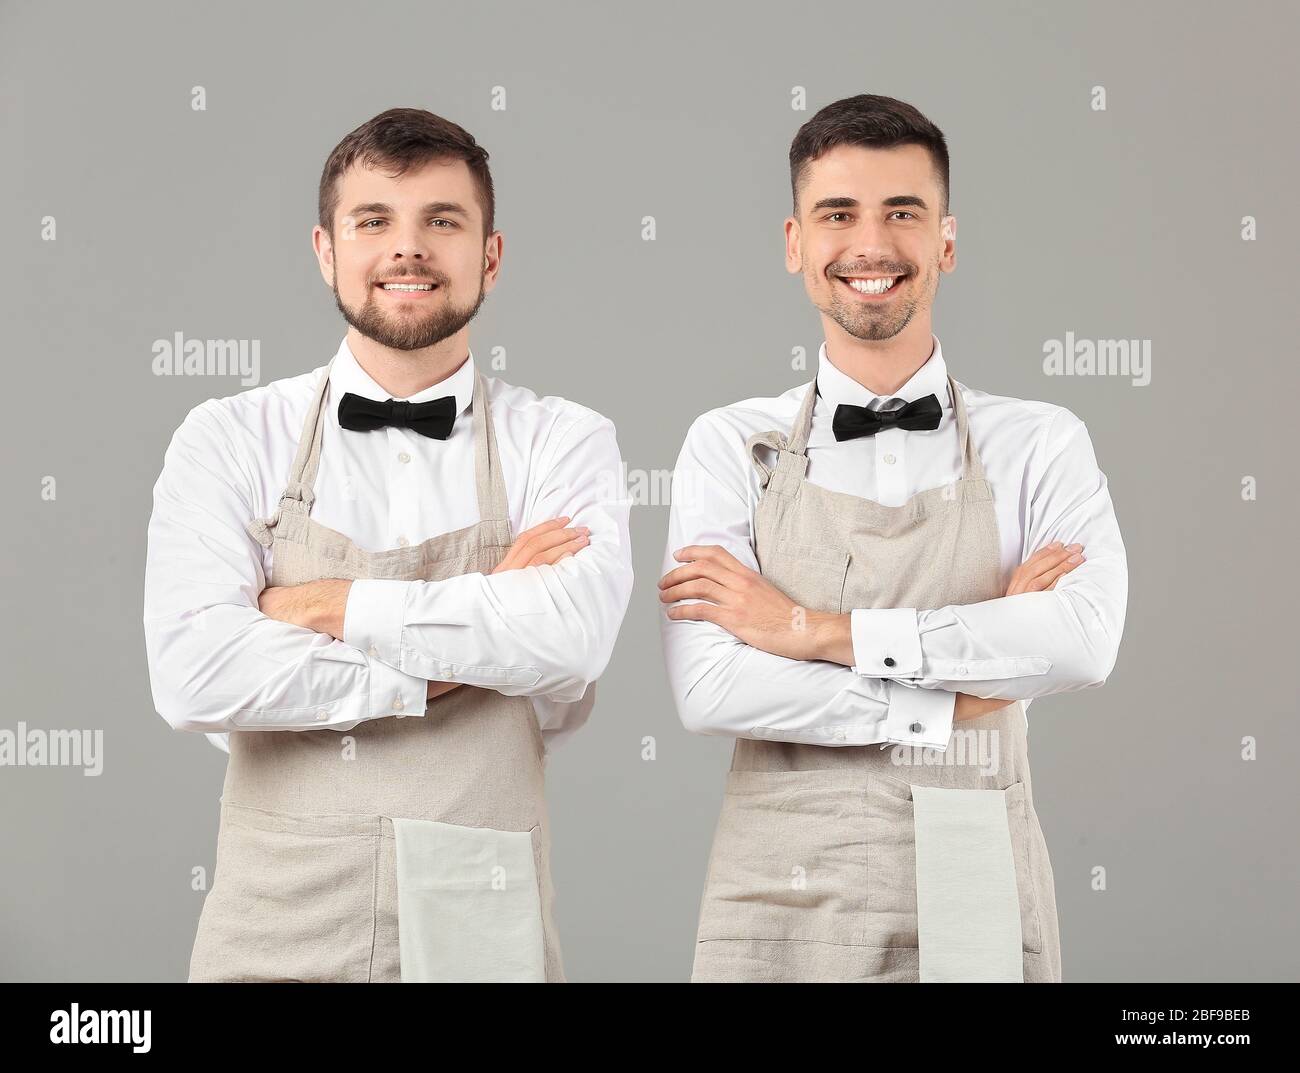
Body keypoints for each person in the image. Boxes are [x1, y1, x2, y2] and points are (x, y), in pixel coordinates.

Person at [143, 107, 633, 982]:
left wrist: (327, 607)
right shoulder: (226, 436)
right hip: (276, 907)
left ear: (490, 254)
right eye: (374, 221)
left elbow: (569, 637)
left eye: (442, 221)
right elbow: (194, 671)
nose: (408, 250)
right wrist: (464, 649)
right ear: (327, 250)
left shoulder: (565, 439)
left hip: (482, 913)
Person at [659, 94, 1127, 982]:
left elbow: (1082, 640)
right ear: (796, 243)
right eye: (839, 214)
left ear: (945, 240)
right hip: (781, 885)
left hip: (975, 872)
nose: (870, 245)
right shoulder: (727, 442)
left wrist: (810, 631)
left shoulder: (1042, 440)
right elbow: (712, 688)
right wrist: (957, 693)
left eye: (901, 213)